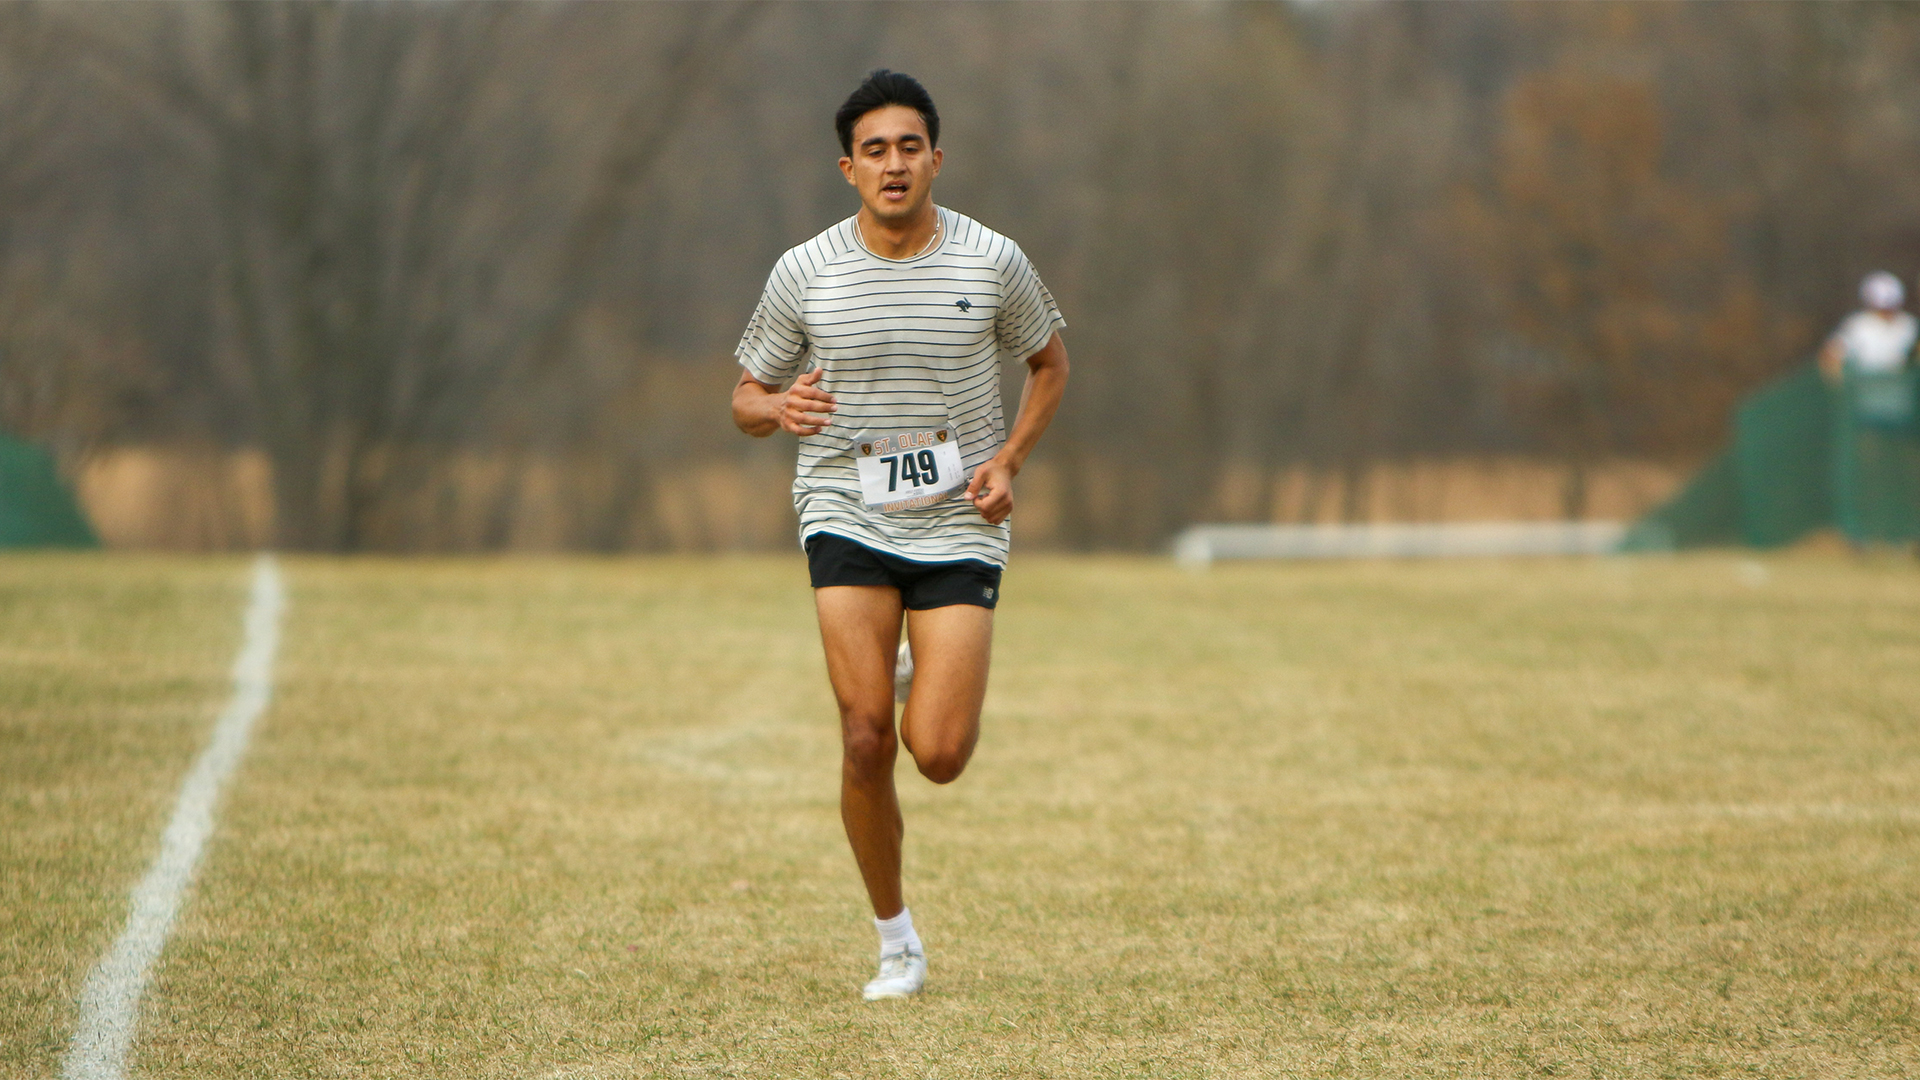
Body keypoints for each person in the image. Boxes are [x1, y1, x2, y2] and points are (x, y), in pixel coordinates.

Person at [729, 70, 1069, 1000]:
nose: (893, 164)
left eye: (908, 147)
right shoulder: (804, 270)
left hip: (960, 517)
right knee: (866, 737)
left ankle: (914, 671)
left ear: (936, 159)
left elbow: (1049, 363)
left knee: (942, 754)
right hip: (844, 505)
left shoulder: (993, 260)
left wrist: (1008, 461)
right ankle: (896, 943)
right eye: (873, 150)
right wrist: (777, 405)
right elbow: (744, 397)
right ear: (848, 167)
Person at [1819, 271, 1920, 545]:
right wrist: (1839, 382)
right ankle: (1864, 536)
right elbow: (1832, 357)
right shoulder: (1857, 327)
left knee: (1906, 474)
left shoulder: (1909, 327)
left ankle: (1907, 536)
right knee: (1868, 475)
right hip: (1866, 416)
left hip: (1905, 415)